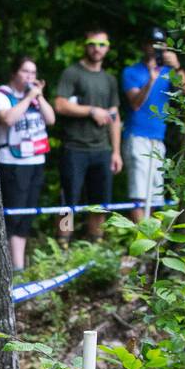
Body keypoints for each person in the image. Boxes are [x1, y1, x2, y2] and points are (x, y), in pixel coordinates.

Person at [54, 29, 122, 242]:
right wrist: (92, 110)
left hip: (102, 149)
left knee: (101, 202)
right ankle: (62, 243)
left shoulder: (109, 79)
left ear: (108, 48)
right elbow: (60, 104)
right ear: (85, 45)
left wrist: (116, 152)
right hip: (74, 147)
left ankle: (96, 243)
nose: (97, 48)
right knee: (68, 201)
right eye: (93, 43)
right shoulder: (72, 73)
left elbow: (114, 116)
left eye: (102, 44)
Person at [0, 56, 55, 271]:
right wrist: (29, 97)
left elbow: (51, 119)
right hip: (12, 163)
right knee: (13, 213)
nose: (30, 76)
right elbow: (8, 119)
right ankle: (6, 264)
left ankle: (18, 266)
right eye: (25, 71)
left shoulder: (35, 97)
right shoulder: (1, 95)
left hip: (36, 160)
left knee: (27, 214)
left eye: (33, 72)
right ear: (14, 73)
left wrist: (39, 97)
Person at [121, 26, 185, 221]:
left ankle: (152, 243)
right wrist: (150, 81)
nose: (156, 48)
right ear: (144, 45)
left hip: (158, 138)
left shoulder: (169, 71)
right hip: (137, 136)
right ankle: (143, 241)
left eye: (161, 44)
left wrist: (177, 67)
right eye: (152, 43)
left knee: (155, 194)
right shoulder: (131, 72)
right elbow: (135, 103)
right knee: (139, 193)